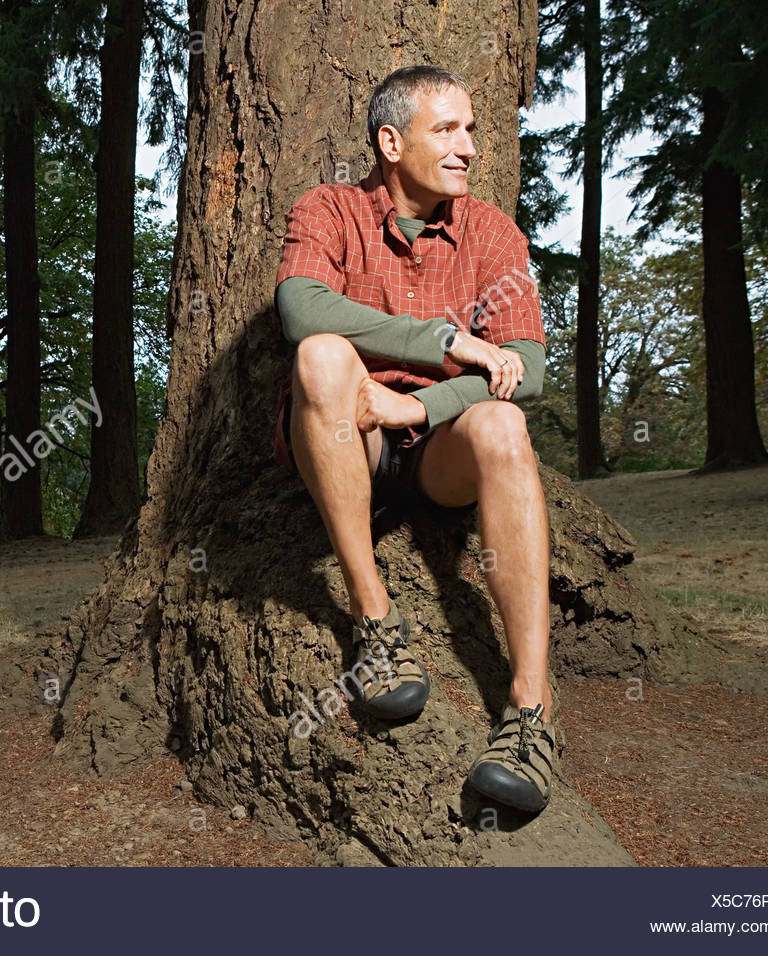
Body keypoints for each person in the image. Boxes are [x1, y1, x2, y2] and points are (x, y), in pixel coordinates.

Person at [273, 65, 558, 813]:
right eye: (448, 130)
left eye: (471, 131)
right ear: (391, 141)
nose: (468, 147)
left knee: (503, 419)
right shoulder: (328, 209)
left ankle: (531, 711)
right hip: (347, 440)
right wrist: (448, 343)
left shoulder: (493, 231)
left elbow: (527, 367)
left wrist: (423, 407)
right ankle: (376, 620)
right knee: (321, 354)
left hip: (438, 453)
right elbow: (302, 310)